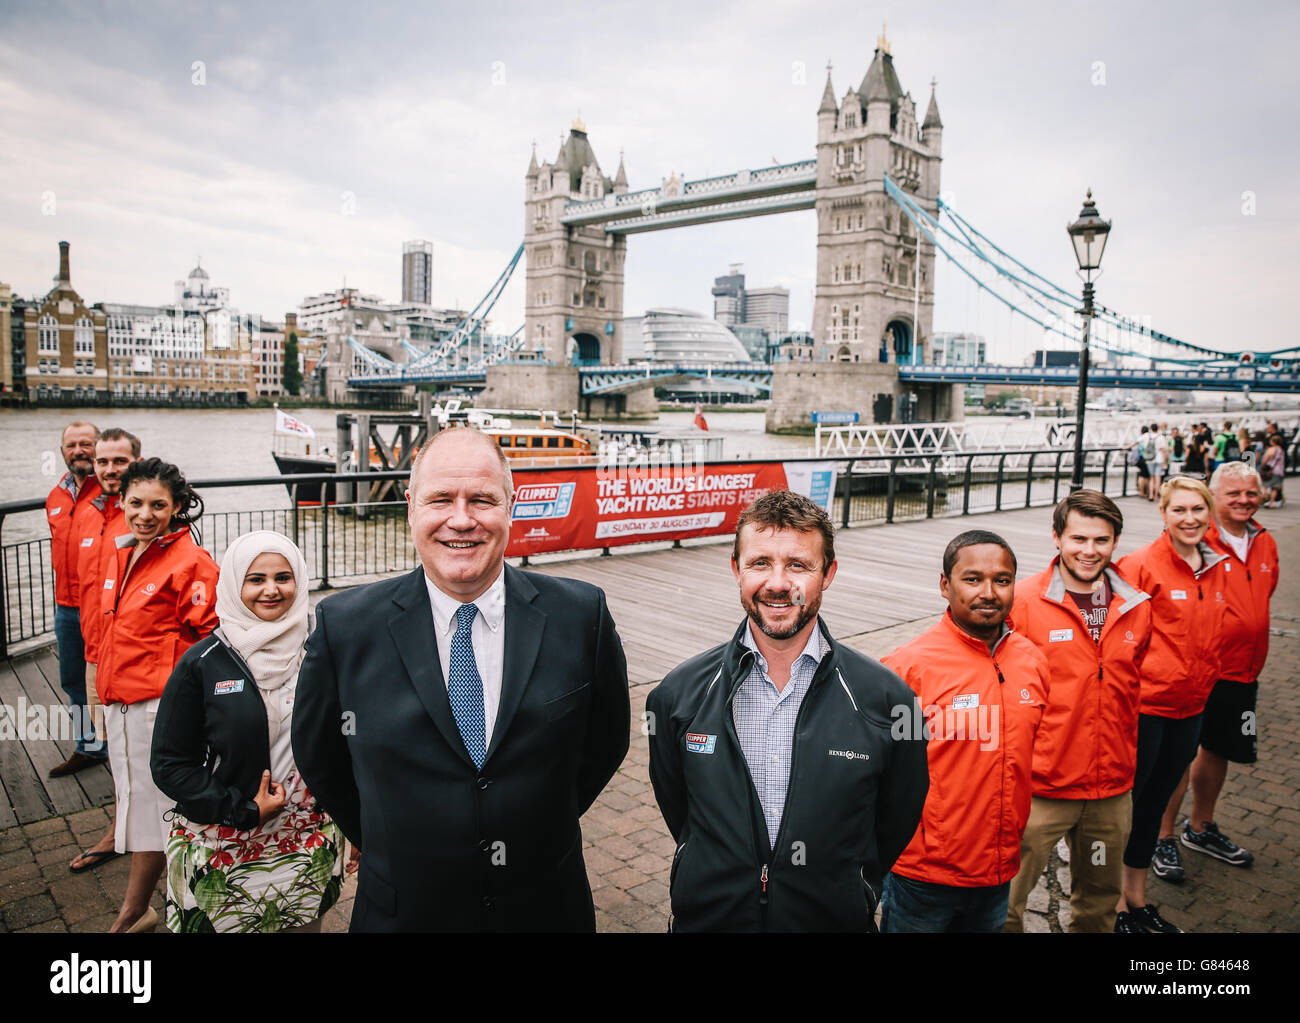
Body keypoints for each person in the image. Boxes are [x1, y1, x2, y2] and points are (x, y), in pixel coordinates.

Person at [293, 426, 629, 932]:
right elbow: (321, 758)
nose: (461, 519)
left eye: (482, 499)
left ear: (511, 506)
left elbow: (605, 743)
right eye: (441, 499)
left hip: (544, 908)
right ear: (410, 506)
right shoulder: (344, 627)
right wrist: (391, 840)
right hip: (405, 912)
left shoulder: (582, 615)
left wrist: (535, 819)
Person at [646, 490, 929, 932]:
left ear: (828, 573)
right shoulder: (678, 695)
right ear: (736, 569)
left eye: (798, 565)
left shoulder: (888, 700)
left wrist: (856, 886)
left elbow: (896, 817)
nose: (778, 583)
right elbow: (679, 807)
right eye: (760, 563)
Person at [153, 531, 345, 933]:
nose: (271, 590)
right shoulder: (203, 663)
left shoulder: (324, 651)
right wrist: (240, 809)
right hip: (224, 845)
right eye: (256, 579)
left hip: (307, 837)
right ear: (233, 584)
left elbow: (349, 742)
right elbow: (171, 763)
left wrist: (357, 821)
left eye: (283, 577)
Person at [880, 530, 1048, 933]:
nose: (988, 592)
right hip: (922, 878)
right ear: (945, 585)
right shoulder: (906, 670)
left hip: (998, 871)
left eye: (1002, 580)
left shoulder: (1033, 662)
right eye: (972, 579)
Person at [1004, 491, 1152, 933]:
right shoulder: (1024, 601)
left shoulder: (1137, 606)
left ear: (1116, 541)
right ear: (1057, 537)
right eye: (1079, 538)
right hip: (1041, 788)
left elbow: (1131, 682)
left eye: (1101, 540)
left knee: (1098, 904)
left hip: (1110, 792)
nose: (1089, 551)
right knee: (1007, 900)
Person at [97, 458, 219, 932]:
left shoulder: (192, 563)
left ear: (177, 508)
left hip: (159, 708)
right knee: (140, 807)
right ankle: (149, 907)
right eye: (135, 503)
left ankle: (148, 909)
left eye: (158, 505)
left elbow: (212, 642)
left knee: (163, 811)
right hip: (120, 703)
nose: (145, 514)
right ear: (121, 502)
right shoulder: (120, 552)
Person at [1152, 462, 1278, 882]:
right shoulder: (1194, 540)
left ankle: (1201, 827)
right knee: (1179, 754)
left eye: (1251, 493)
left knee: (1220, 747)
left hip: (1243, 669)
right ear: (1213, 500)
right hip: (1196, 668)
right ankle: (1162, 835)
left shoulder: (1265, 542)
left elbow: (1262, 597)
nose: (1244, 500)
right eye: (1233, 494)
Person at [1111, 477, 1228, 933]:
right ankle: (1116, 904)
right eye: (1179, 510)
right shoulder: (1139, 565)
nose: (1190, 519)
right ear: (1163, 514)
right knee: (1132, 804)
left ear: (1209, 513)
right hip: (1146, 709)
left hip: (1191, 707)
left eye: (1198, 509)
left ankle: (1138, 900)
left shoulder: (1217, 567)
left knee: (1159, 801)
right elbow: (1117, 638)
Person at [67, 427, 141, 874]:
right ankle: (127, 825)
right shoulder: (87, 511)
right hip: (96, 651)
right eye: (103, 461)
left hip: (134, 656)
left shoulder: (144, 514)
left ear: (136, 462)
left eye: (121, 461)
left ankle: (125, 832)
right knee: (115, 748)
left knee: (141, 749)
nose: (110, 469)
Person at [46, 421, 103, 777]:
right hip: (65, 606)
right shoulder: (56, 495)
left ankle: (118, 742)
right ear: (63, 451)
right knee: (72, 679)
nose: (79, 450)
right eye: (71, 445)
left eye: (86, 443)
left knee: (105, 680)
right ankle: (89, 746)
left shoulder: (112, 494)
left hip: (100, 606)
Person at [1261, 433, 1285, 507]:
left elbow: (1265, 459)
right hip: (1279, 471)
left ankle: (1260, 500)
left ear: (1272, 442)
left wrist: (1263, 466)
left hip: (1270, 470)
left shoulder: (1271, 449)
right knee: (1274, 488)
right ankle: (1272, 503)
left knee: (1264, 486)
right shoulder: (1281, 450)